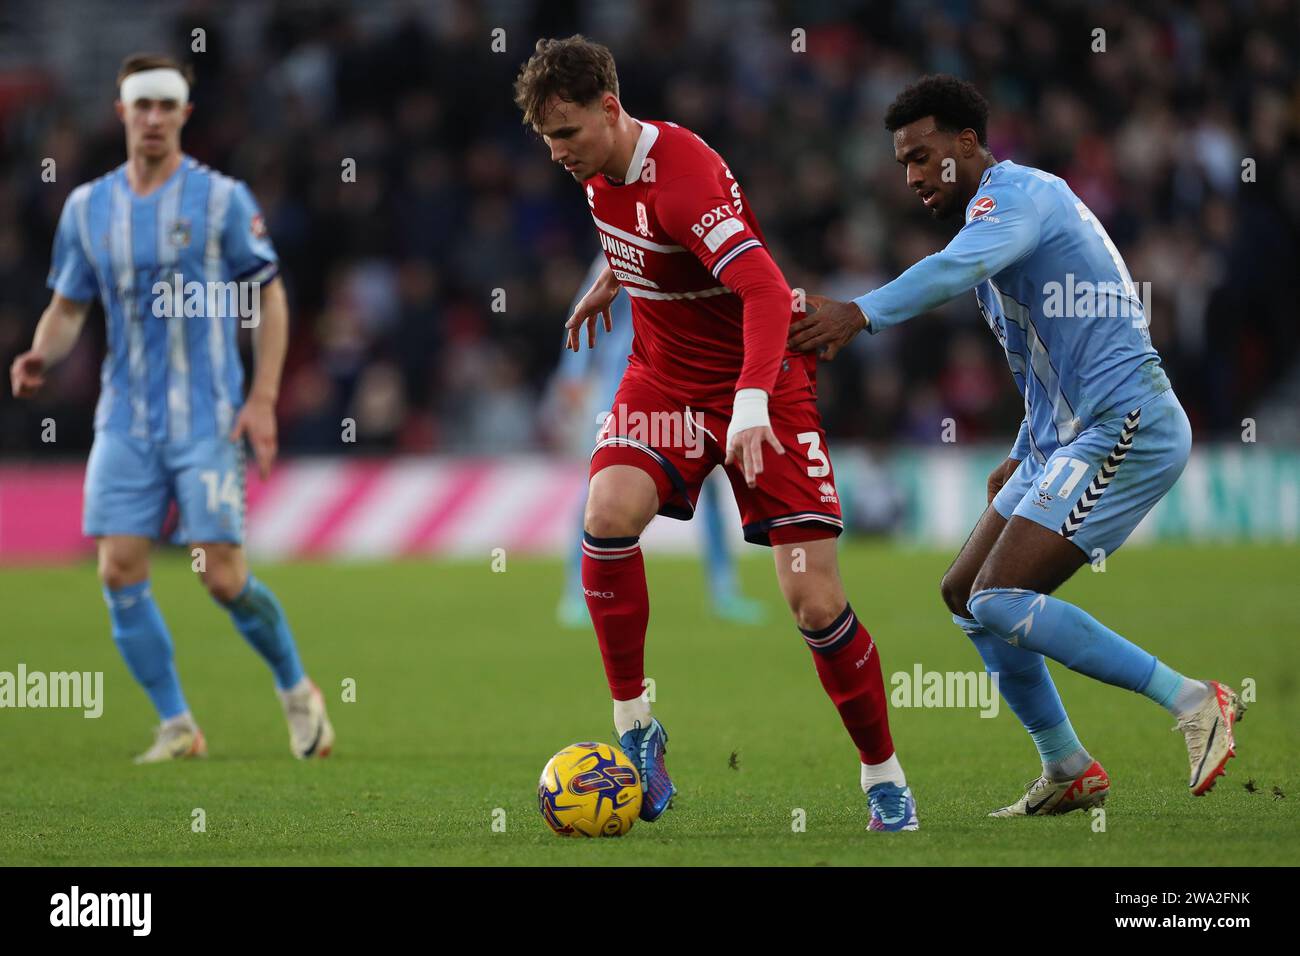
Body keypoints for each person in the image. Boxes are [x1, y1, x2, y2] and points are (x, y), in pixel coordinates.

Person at [790, 74, 1241, 815]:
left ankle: (1195, 701)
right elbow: (1047, 355)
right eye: (902, 163)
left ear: (967, 144)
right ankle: (1067, 765)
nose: (911, 177)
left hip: (1129, 423)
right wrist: (1028, 448)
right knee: (965, 595)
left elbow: (950, 271)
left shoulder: (1016, 197)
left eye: (922, 156)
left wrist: (859, 313)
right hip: (1066, 435)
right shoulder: (995, 223)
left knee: (1002, 595)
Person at [514, 36, 917, 831]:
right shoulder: (597, 169)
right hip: (663, 381)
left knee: (813, 600)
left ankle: (884, 777)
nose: (558, 153)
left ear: (609, 107)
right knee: (606, 514)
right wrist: (608, 283)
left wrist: (755, 404)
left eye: (567, 134)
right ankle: (636, 729)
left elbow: (765, 290)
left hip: (764, 385)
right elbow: (636, 232)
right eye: (547, 140)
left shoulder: (685, 178)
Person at [9, 54, 334, 763]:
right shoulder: (87, 208)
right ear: (121, 112)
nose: (153, 118)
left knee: (221, 577)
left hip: (208, 417)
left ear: (184, 115)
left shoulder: (221, 200)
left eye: (166, 106)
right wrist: (42, 352)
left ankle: (296, 689)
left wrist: (265, 399)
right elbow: (67, 307)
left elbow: (269, 294)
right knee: (119, 568)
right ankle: (178, 725)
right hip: (123, 419)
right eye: (141, 105)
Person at [551, 255, 766, 628]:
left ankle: (724, 590)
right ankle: (577, 589)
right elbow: (586, 303)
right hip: (626, 385)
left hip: (687, 381)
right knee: (601, 490)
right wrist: (573, 371)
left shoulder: (694, 243)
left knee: (710, 483)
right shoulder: (621, 247)